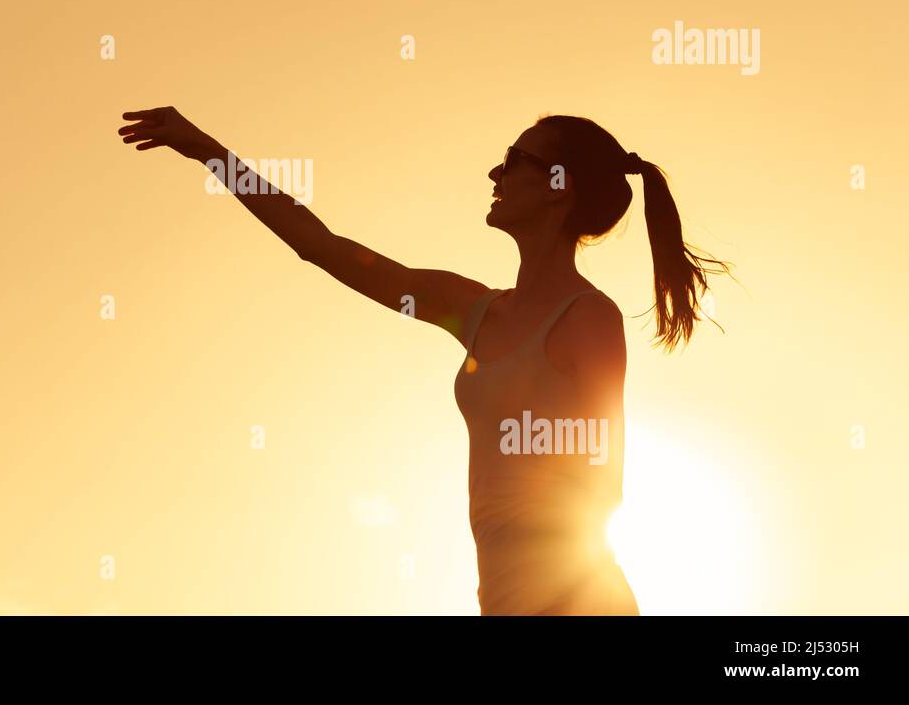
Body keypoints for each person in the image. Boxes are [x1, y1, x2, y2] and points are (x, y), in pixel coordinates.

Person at [117, 107, 730, 614]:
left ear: (557, 185)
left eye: (515, 159)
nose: (495, 171)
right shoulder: (472, 311)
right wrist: (206, 151)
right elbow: (321, 247)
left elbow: (604, 485)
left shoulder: (587, 320)